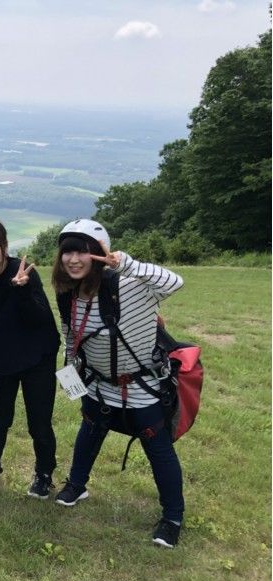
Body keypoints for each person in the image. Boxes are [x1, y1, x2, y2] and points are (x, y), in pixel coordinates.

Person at [50, 218, 185, 548]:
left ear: (99, 253)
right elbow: (71, 338)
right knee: (90, 432)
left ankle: (173, 517)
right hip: (98, 384)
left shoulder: (129, 285)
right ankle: (77, 485)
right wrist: (73, 379)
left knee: (158, 450)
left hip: (141, 387)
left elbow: (175, 282)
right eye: (67, 252)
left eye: (83, 252)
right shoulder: (68, 294)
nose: (73, 260)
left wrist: (128, 264)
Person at [0, 218, 60, 503]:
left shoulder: (23, 273)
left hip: (37, 356)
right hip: (0, 358)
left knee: (39, 423)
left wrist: (22, 291)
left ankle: (44, 474)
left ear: (5, 248)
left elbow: (41, 318)